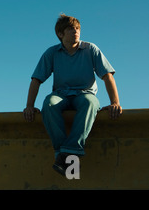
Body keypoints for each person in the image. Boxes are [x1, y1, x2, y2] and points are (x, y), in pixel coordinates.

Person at [23, 14, 122, 176]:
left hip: (85, 94)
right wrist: (29, 106)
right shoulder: (52, 53)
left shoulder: (91, 49)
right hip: (61, 95)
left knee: (89, 103)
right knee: (49, 103)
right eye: (70, 29)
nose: (75, 31)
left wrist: (115, 102)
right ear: (60, 34)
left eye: (77, 28)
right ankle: (63, 153)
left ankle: (69, 152)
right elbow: (36, 80)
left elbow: (107, 76)